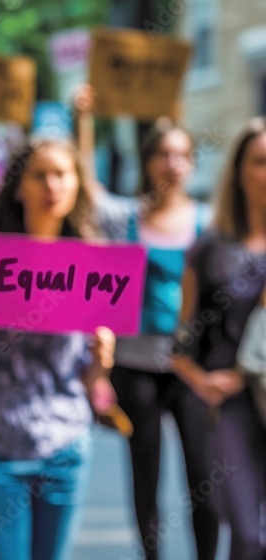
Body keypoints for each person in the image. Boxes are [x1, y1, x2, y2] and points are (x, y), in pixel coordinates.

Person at [0, 139, 116, 560]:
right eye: (40, 174)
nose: (52, 185)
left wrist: (101, 360)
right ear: (19, 187)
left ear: (77, 184)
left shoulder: (91, 267)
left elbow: (90, 381)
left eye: (63, 174)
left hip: (66, 448)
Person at [74, 87, 219, 560]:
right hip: (135, 366)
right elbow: (87, 190)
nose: (172, 163)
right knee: (145, 473)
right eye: (162, 154)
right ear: (147, 161)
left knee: (204, 474)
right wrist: (86, 121)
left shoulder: (210, 223)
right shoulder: (124, 219)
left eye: (181, 154)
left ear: (192, 163)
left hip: (193, 371)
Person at [172, 118, 266, 560]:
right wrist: (201, 380)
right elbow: (181, 342)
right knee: (247, 535)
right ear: (240, 171)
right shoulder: (211, 248)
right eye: (260, 161)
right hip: (232, 405)